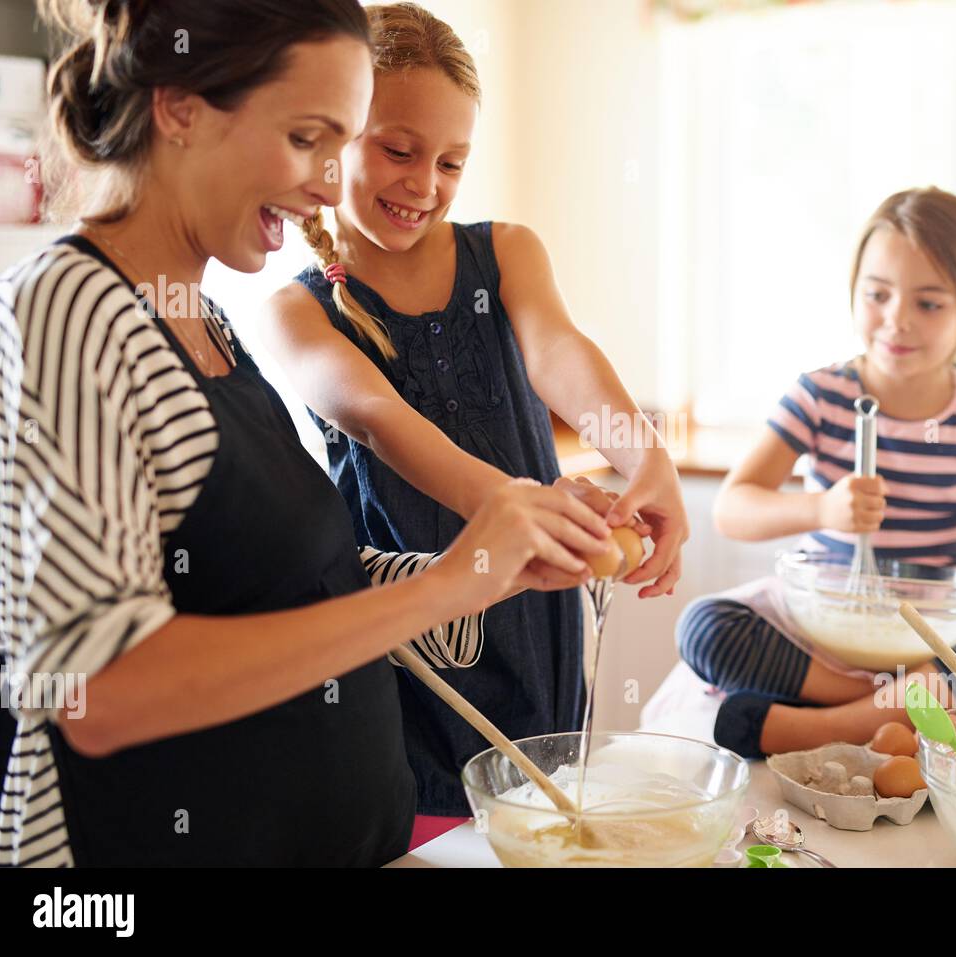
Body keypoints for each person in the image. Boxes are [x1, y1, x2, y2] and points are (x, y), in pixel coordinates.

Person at [0, 0, 614, 867]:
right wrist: (448, 583)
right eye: (309, 137)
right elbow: (102, 688)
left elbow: (286, 583)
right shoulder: (67, 306)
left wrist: (493, 566)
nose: (326, 182)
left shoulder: (204, 323)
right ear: (179, 106)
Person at [260, 3, 689, 817]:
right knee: (433, 823)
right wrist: (515, 506)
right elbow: (379, 419)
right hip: (415, 638)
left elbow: (561, 354)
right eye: (398, 150)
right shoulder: (296, 311)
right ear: (337, 131)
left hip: (535, 614)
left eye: (452, 162)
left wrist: (648, 460)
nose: (425, 185)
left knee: (542, 808)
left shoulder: (508, 251)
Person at [675, 188, 956, 759]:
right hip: (826, 630)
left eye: (928, 303)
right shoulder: (820, 396)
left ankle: (828, 724)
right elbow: (733, 508)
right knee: (704, 626)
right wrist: (820, 510)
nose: (896, 320)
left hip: (942, 637)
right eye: (877, 294)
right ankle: (906, 704)